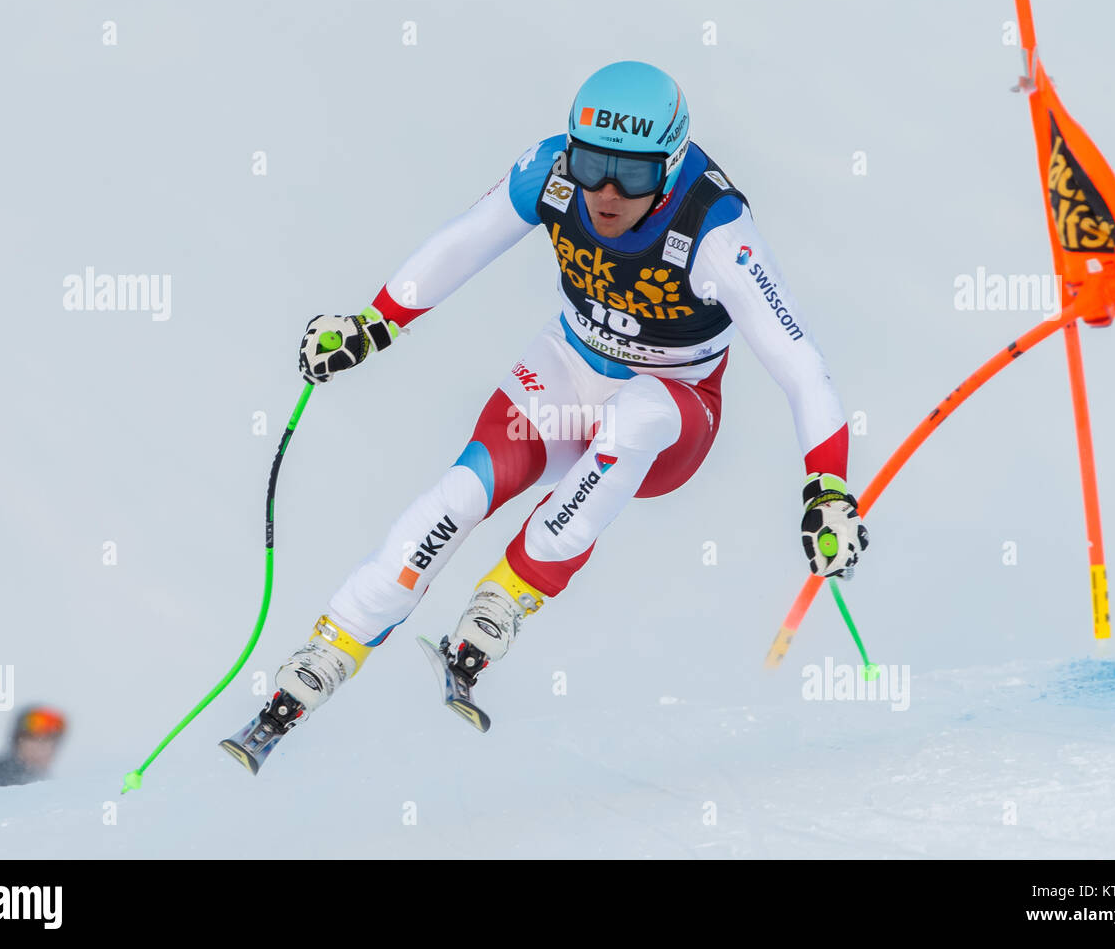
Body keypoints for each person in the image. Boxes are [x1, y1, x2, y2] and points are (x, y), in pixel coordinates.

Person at [275, 61, 867, 726]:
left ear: (669, 168)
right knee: (464, 491)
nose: (606, 193)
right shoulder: (551, 173)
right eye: (591, 165)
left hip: (674, 403)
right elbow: (468, 240)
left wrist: (829, 490)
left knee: (638, 416)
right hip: (568, 365)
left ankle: (506, 596)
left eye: (633, 175)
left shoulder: (716, 231)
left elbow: (801, 366)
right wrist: (374, 323)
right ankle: (330, 648)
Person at [0, 705, 66, 790]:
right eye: (34, 740)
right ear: (17, 742)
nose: (41, 750)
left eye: (48, 742)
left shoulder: (42, 779)